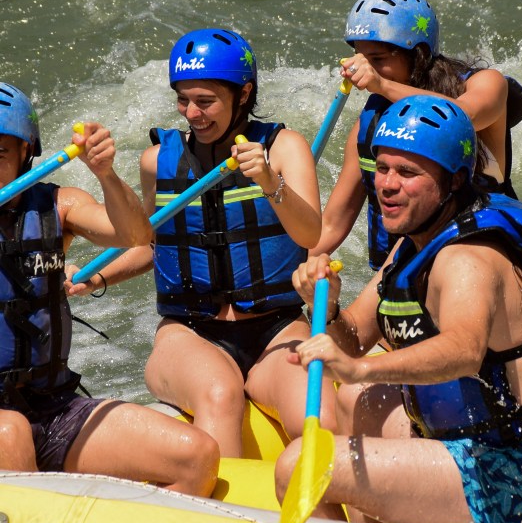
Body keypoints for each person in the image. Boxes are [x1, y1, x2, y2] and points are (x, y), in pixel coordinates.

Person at [275, 95, 522, 523]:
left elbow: (463, 351)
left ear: (454, 182)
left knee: (297, 465)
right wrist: (324, 307)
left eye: (407, 173)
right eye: (382, 168)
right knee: (361, 397)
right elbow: (354, 338)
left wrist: (359, 368)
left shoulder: (466, 258)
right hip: (471, 443)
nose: (386, 185)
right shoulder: (414, 243)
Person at [77, 28, 330, 457]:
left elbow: (309, 235)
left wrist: (271, 182)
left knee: (318, 412)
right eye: (183, 100)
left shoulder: (284, 148)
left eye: (206, 102)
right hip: (189, 332)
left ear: (244, 93)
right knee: (220, 394)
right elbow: (154, 244)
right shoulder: (158, 161)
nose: (192, 113)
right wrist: (94, 277)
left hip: (275, 326)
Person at [0, 82, 219, 493]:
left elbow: (135, 235)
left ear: (26, 155)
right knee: (10, 433)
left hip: (53, 409)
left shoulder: (58, 205)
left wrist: (105, 173)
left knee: (197, 457)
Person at [318, 0, 522, 270]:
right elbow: (332, 224)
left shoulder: (487, 83)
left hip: (481, 262)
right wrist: (301, 266)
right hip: (406, 272)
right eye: (360, 57)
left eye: (378, 59)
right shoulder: (369, 126)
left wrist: (383, 85)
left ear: (418, 55)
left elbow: (458, 117)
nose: (365, 69)